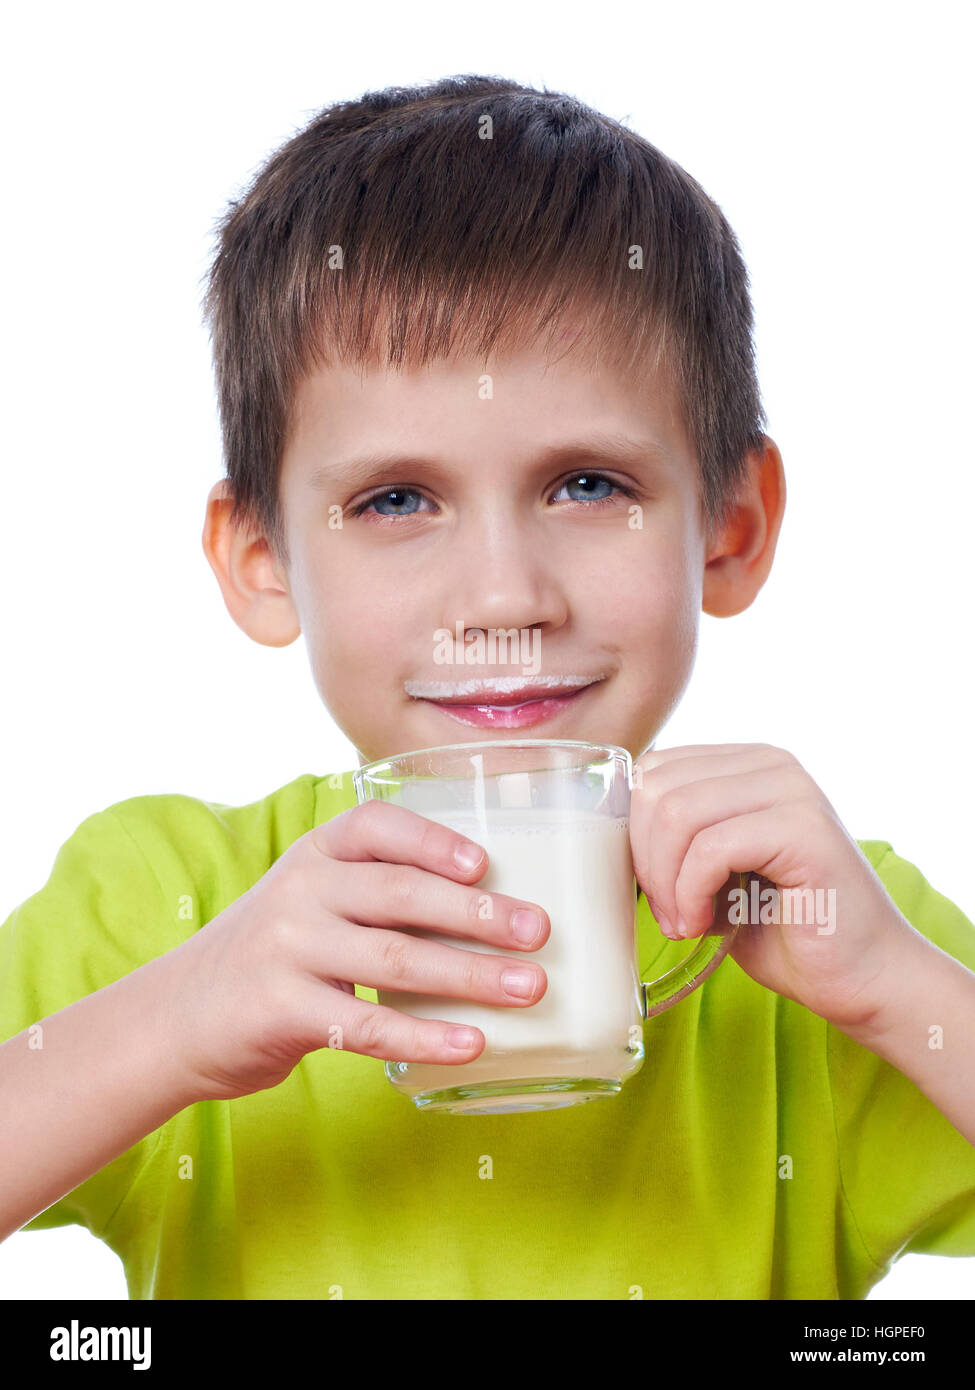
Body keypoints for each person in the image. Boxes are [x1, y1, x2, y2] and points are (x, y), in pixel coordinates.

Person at [1, 74, 973, 1301]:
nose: (505, 597)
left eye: (587, 485)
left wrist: (899, 988)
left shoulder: (826, 925)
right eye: (396, 500)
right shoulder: (166, 899)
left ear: (730, 527)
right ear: (261, 561)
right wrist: (173, 1025)